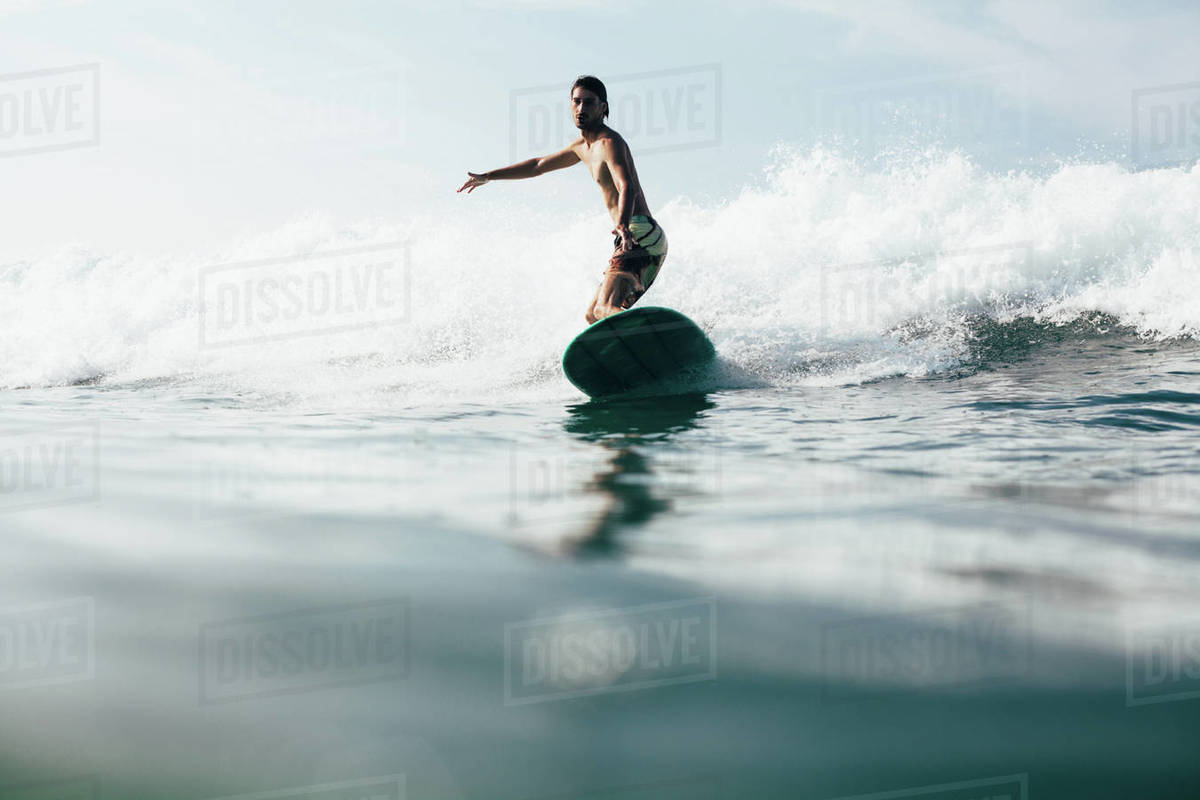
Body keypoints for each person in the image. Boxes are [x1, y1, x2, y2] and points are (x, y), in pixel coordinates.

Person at [458, 75, 667, 324]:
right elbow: (537, 165)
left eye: (589, 103)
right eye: (576, 102)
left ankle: (653, 336)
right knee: (593, 316)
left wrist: (622, 224)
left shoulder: (609, 143)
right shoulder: (581, 147)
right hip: (639, 238)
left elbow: (626, 186)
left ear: (603, 108)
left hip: (638, 232)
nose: (581, 109)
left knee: (603, 309)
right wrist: (489, 176)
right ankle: (638, 352)